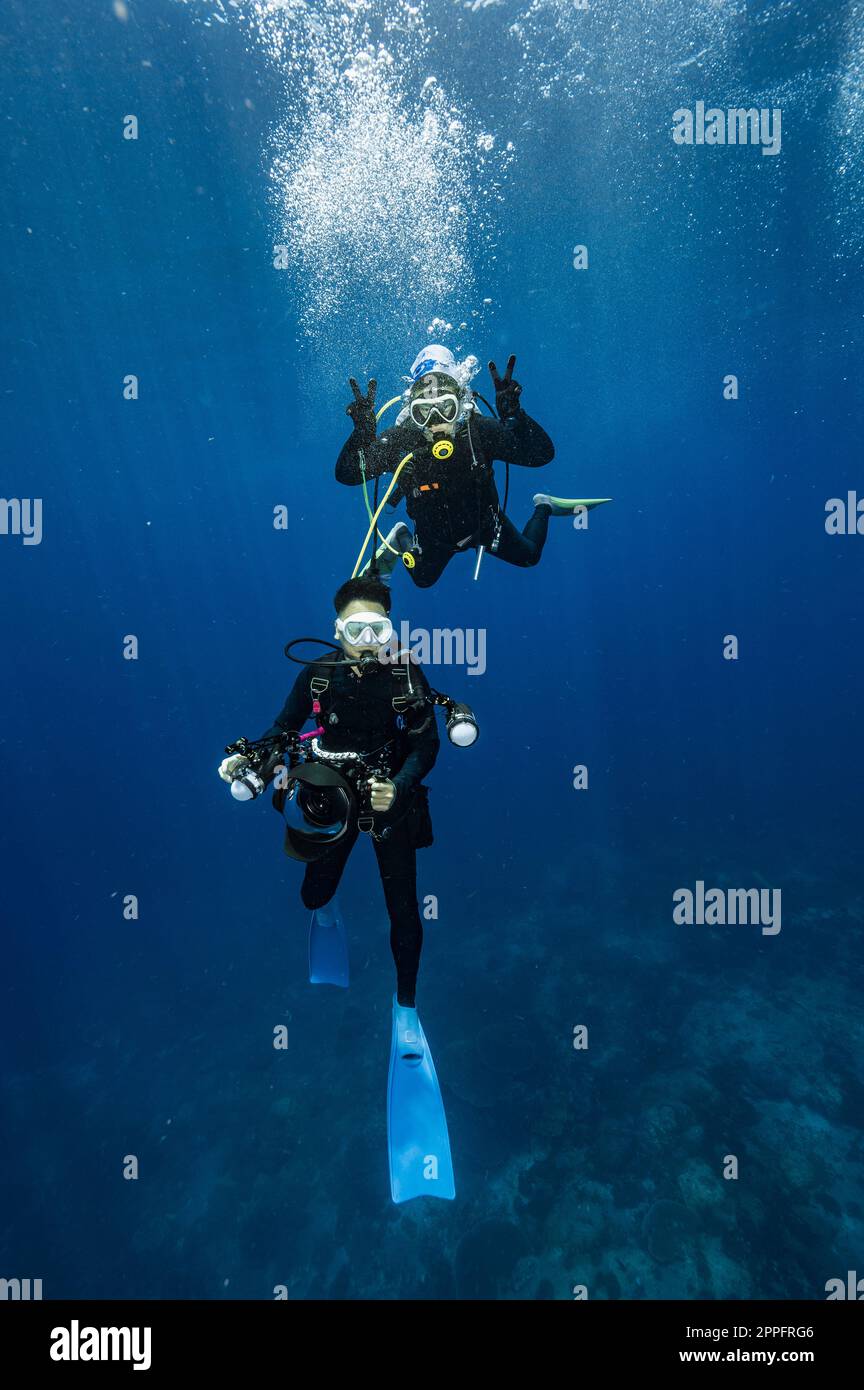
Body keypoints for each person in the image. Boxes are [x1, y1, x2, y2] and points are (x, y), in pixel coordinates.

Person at [218, 574, 438, 1009]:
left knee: (404, 910)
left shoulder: (405, 675)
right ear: (338, 630)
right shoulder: (317, 676)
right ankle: (327, 907)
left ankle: (407, 1007)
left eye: (379, 629)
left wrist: (398, 786)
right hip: (330, 797)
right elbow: (284, 729)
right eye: (357, 630)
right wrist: (248, 756)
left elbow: (426, 743)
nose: (369, 640)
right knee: (313, 895)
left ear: (392, 628)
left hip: (386, 799)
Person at [337, 344, 606, 587]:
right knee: (422, 579)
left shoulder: (479, 432)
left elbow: (541, 454)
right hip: (434, 537)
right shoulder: (403, 440)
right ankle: (401, 536)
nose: (435, 420)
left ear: (460, 403)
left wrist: (515, 416)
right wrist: (362, 431)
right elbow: (347, 473)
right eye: (424, 411)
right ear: (413, 412)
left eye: (446, 408)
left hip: (486, 526)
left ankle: (544, 506)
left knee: (529, 556)